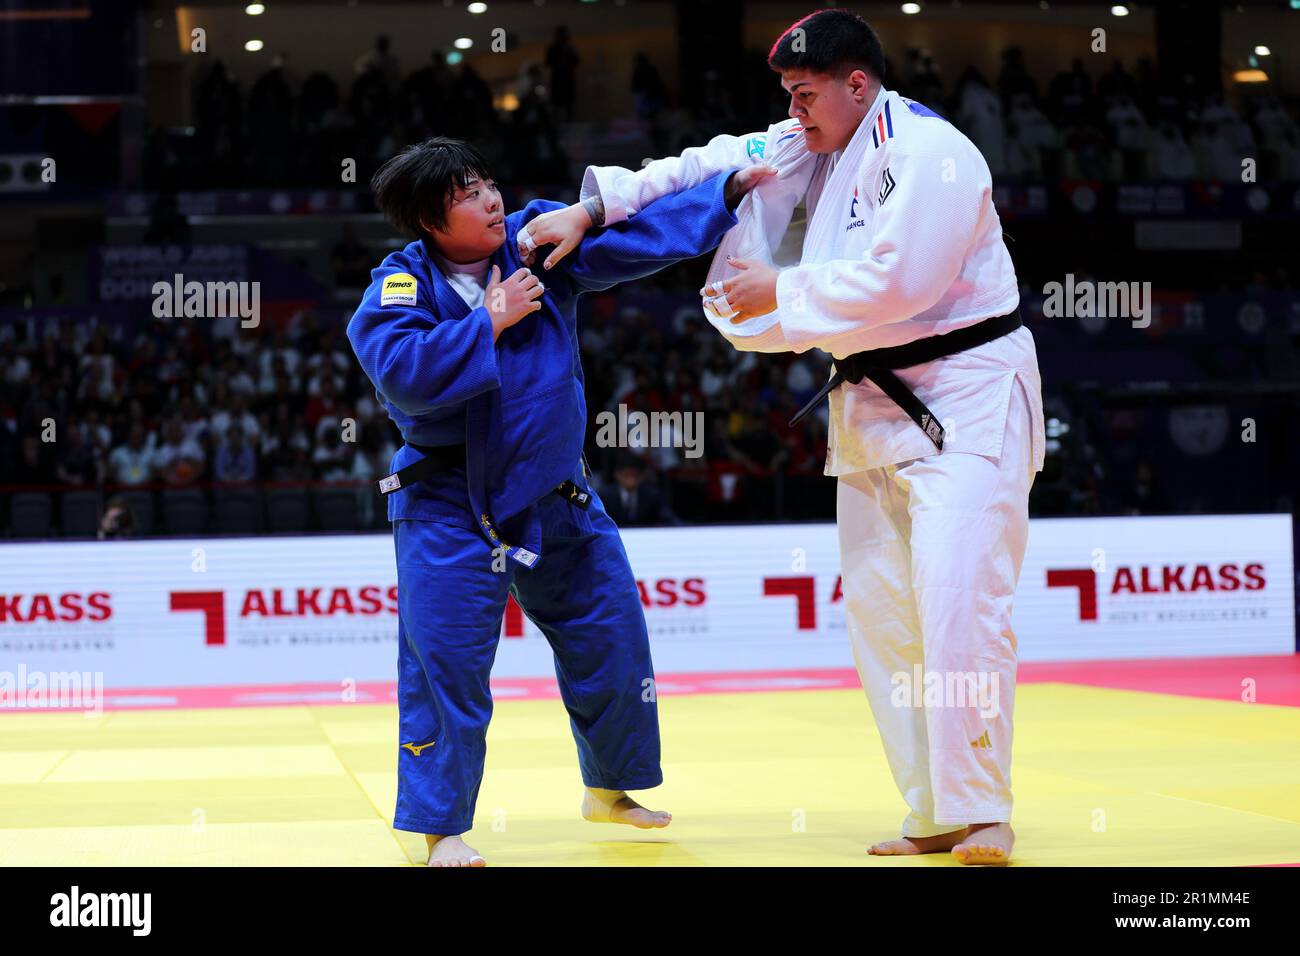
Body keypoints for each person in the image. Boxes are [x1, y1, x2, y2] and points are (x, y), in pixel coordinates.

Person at [551, 9, 1045, 865]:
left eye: (806, 92)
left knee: (959, 604)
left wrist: (781, 290)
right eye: (787, 93)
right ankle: (931, 810)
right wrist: (590, 211)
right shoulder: (805, 143)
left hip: (966, 399)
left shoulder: (930, 153)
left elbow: (902, 282)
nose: (794, 109)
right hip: (871, 404)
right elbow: (699, 166)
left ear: (859, 86)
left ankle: (984, 808)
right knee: (886, 618)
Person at [347, 136, 768, 867]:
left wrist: (721, 197)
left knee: (610, 635)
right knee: (444, 663)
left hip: (554, 494)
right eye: (465, 195)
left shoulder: (535, 241)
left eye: (486, 184)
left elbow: (630, 238)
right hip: (448, 503)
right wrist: (489, 320)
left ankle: (611, 787)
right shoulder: (399, 288)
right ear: (427, 221)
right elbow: (402, 376)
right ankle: (441, 826)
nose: (489, 201)